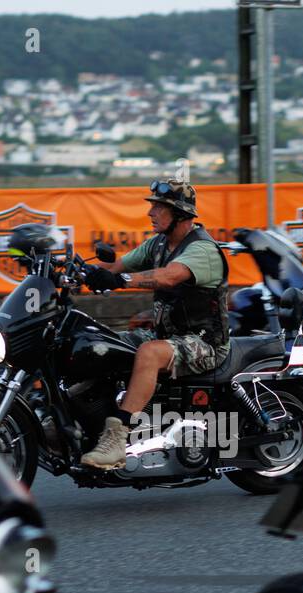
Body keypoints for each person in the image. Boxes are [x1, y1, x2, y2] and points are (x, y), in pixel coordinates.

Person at [79, 179, 230, 469]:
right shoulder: (158, 244)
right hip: (167, 336)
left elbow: (169, 277)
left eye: (160, 208)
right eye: (153, 207)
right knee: (101, 343)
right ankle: (81, 421)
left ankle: (117, 440)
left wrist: (120, 281)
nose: (151, 213)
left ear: (181, 214)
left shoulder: (203, 250)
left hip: (205, 343)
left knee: (149, 352)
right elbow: (116, 267)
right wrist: (79, 273)